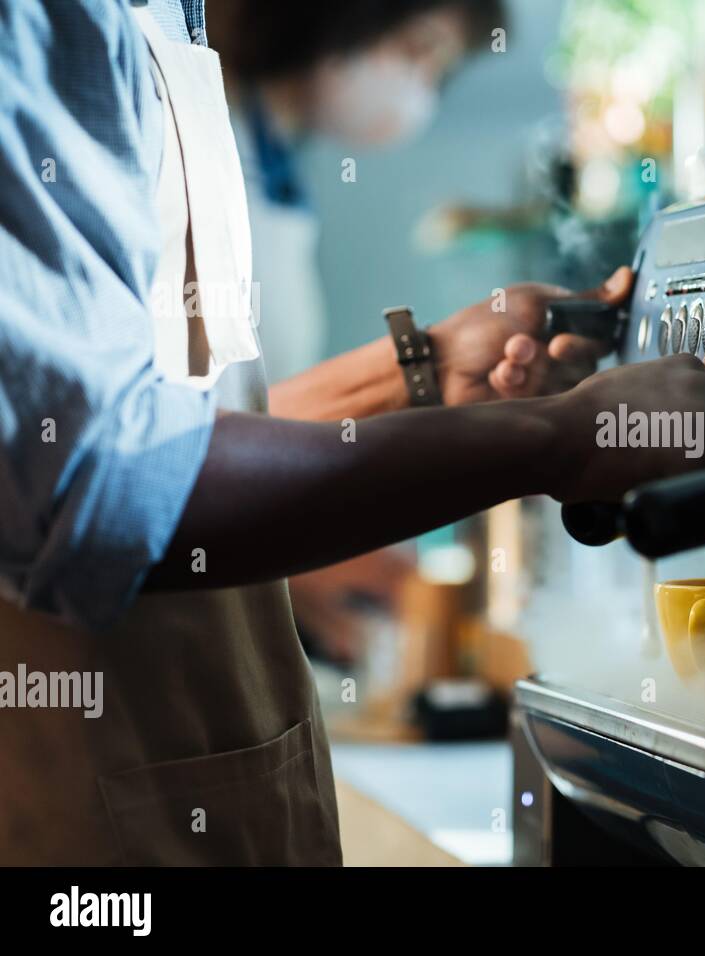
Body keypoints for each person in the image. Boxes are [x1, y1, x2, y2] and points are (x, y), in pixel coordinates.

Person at [0, 0, 705, 864]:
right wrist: (567, 438)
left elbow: (182, 424)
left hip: (205, 792)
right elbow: (97, 486)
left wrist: (423, 371)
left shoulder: (167, 20)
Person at [205, 0, 507, 663]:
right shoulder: (190, 139)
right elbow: (170, 453)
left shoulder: (271, 159)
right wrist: (293, 559)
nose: (419, 89)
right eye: (418, 48)